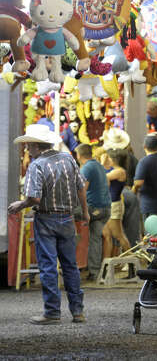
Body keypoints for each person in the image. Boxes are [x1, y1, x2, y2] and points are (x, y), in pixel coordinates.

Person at [8, 123, 88, 324]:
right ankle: (77, 311)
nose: (27, 149)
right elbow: (81, 187)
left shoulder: (37, 165)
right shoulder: (68, 159)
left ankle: (52, 312)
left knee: (48, 266)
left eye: (28, 145)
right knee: (70, 265)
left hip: (46, 218)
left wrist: (20, 204)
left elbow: (34, 198)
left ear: (36, 145)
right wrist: (85, 212)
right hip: (67, 217)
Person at [75, 144, 110, 281]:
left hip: (94, 208)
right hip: (105, 209)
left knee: (63, 214)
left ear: (79, 155)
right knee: (95, 239)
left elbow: (81, 190)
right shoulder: (99, 166)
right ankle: (94, 272)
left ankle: (69, 265)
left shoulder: (87, 167)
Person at [101, 150, 132, 259]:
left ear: (114, 160)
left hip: (115, 205)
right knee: (107, 234)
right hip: (111, 204)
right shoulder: (115, 170)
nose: (107, 160)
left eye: (109, 158)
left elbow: (102, 178)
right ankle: (107, 263)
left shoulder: (119, 171)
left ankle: (130, 260)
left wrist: (102, 164)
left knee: (118, 235)